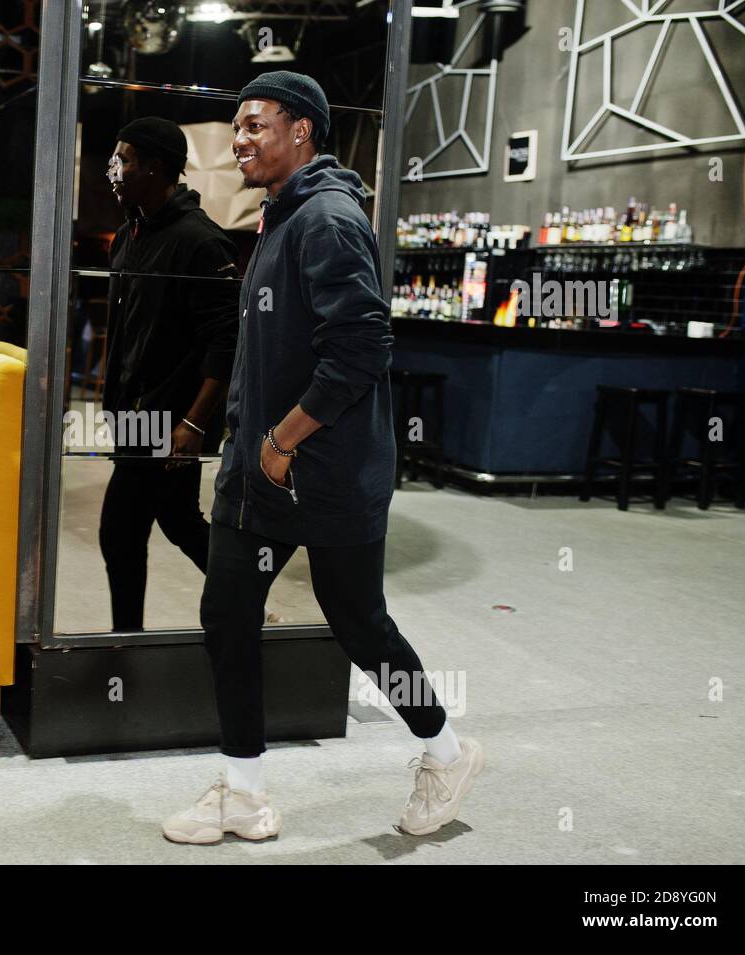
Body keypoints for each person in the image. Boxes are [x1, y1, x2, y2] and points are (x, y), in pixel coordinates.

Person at [161, 72, 484, 844]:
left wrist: (282, 439)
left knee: (361, 623)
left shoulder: (328, 219)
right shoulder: (283, 215)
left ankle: (445, 750)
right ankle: (243, 790)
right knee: (227, 611)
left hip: (325, 471)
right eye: (235, 128)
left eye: (254, 126)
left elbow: (363, 349)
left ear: (301, 130)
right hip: (260, 477)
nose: (238, 140)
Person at [98, 117, 239, 631]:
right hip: (132, 413)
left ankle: (125, 641)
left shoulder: (201, 243)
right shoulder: (128, 235)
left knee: (119, 531)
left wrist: (196, 422)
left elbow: (228, 340)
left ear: (155, 168)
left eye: (124, 159)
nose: (112, 169)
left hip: (171, 416)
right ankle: (243, 599)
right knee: (178, 520)